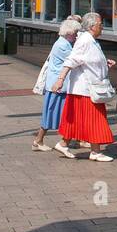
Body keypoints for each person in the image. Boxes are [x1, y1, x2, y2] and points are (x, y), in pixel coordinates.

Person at [51, 11, 117, 163]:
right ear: (92, 26)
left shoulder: (92, 40)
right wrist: (60, 80)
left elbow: (90, 61)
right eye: (100, 25)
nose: (102, 28)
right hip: (85, 90)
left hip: (87, 89)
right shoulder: (86, 41)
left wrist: (105, 63)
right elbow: (72, 60)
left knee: (77, 120)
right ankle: (95, 151)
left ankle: (64, 144)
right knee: (95, 119)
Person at [32, 17, 80, 155]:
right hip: (57, 87)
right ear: (69, 32)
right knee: (52, 114)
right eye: (75, 33)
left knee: (58, 114)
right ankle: (39, 140)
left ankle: (70, 140)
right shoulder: (63, 45)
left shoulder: (65, 43)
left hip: (59, 87)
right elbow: (75, 60)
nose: (77, 35)